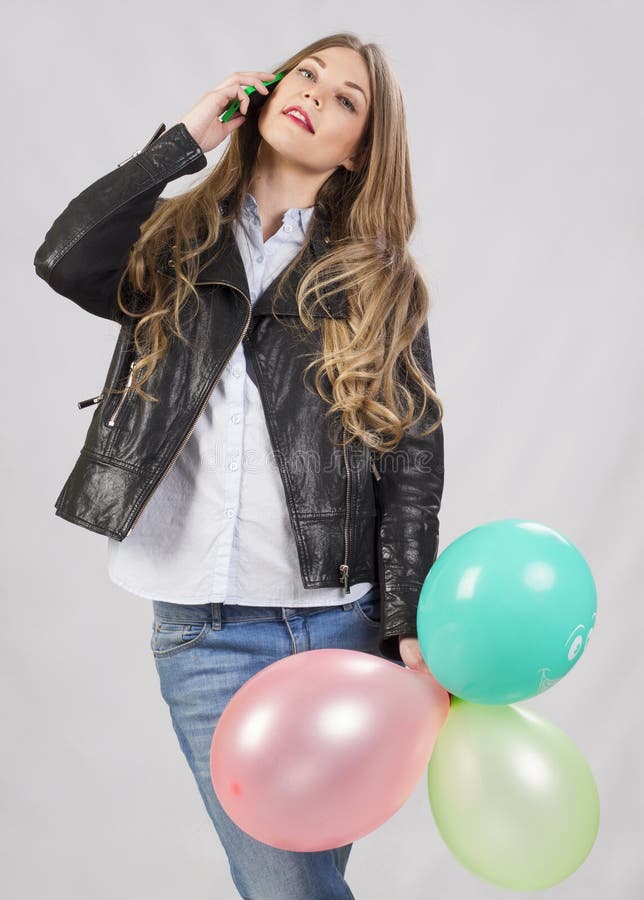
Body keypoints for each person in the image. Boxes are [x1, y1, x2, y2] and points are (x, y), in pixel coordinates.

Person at [34, 31, 445, 900]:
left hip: (340, 625)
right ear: (266, 92)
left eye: (346, 99)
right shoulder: (174, 242)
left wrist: (407, 622)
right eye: (307, 75)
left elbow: (411, 466)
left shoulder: (381, 284)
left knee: (300, 885)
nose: (316, 96)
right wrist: (183, 142)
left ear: (358, 150)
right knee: (290, 886)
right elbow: (64, 258)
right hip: (205, 632)